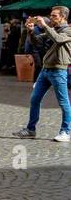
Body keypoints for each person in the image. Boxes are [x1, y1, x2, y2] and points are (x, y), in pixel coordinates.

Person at [14, 9, 71, 142]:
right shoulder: (53, 29)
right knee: (35, 99)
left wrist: (45, 26)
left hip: (58, 70)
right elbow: (37, 42)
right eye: (50, 15)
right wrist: (30, 31)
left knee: (63, 102)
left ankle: (65, 131)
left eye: (54, 16)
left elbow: (58, 40)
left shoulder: (68, 30)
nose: (51, 18)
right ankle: (31, 129)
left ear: (63, 17)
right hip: (45, 70)